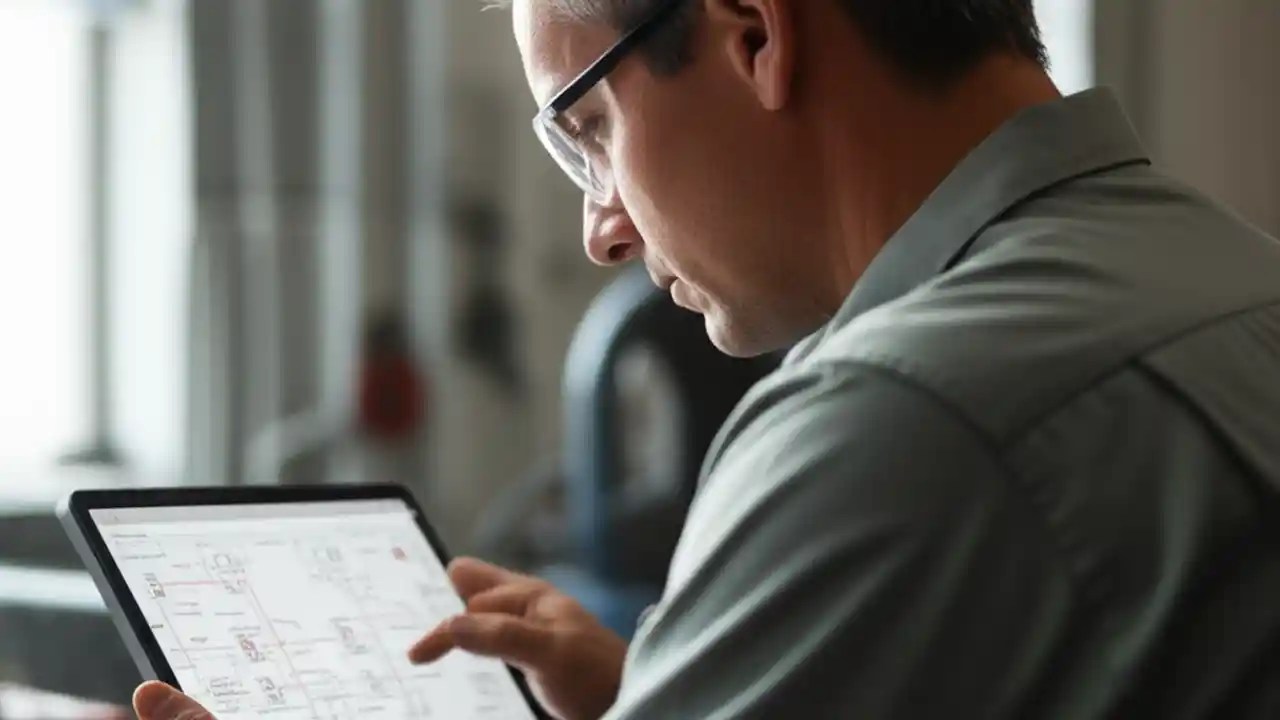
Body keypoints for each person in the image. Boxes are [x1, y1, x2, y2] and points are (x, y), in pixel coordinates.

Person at [135, 0, 1280, 718]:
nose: (601, 230)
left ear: (754, 35)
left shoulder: (893, 416)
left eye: (585, 130)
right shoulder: (1234, 276)